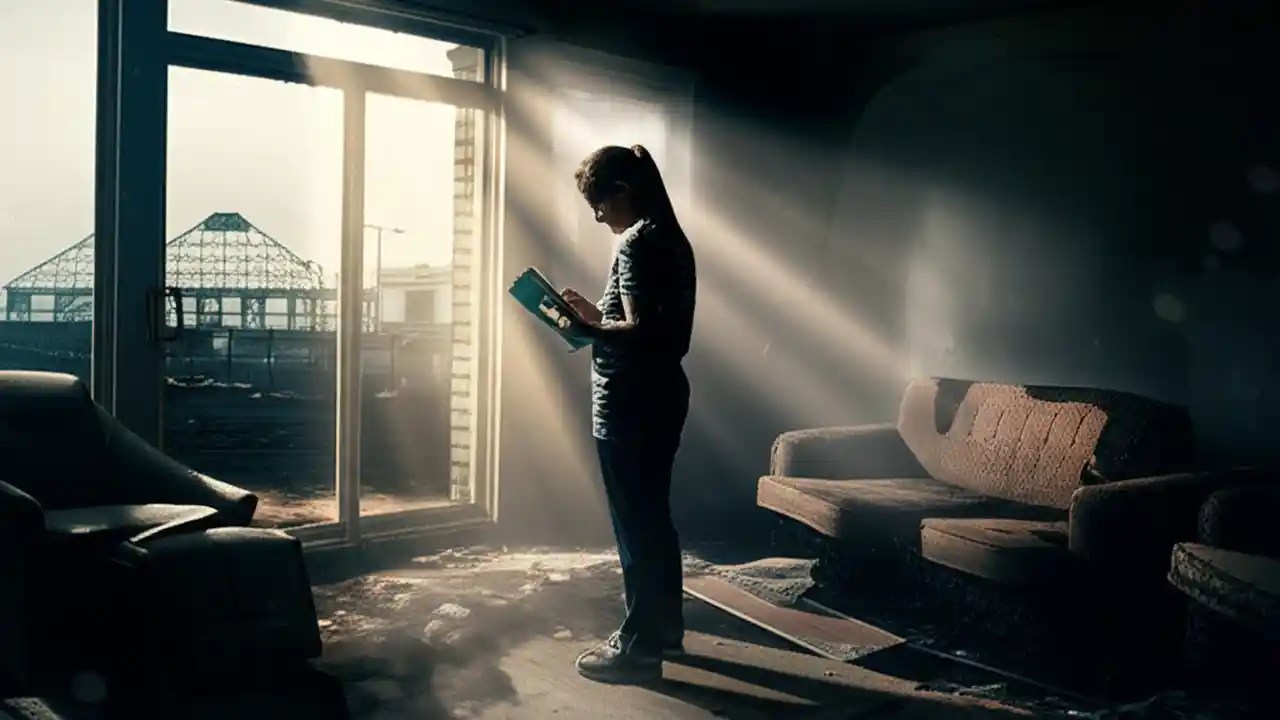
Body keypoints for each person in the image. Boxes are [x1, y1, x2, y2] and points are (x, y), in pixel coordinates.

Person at [559, 144, 697, 684]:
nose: (598, 216)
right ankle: (665, 630)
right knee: (654, 520)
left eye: (599, 203)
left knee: (635, 528)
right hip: (660, 396)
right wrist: (596, 316)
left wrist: (585, 329)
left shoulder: (638, 241)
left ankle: (638, 646)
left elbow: (641, 331)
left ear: (622, 192)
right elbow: (650, 325)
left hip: (629, 403)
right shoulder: (670, 237)